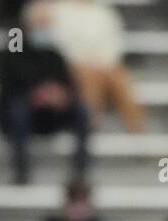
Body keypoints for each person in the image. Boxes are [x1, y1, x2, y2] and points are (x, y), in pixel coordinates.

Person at [0, 0, 90, 184]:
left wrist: (61, 96)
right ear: (27, 24)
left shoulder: (54, 52)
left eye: (47, 23)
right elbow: (7, 86)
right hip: (23, 112)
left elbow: (68, 85)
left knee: (81, 110)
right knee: (18, 110)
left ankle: (80, 171)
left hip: (51, 114)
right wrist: (34, 95)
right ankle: (21, 171)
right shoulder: (14, 47)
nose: (44, 28)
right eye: (40, 23)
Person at [50, 0, 145, 132]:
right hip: (75, 62)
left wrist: (104, 61)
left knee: (121, 81)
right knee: (89, 79)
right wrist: (84, 59)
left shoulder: (105, 11)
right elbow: (61, 40)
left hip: (105, 62)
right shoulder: (60, 11)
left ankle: (137, 129)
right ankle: (91, 125)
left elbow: (115, 40)